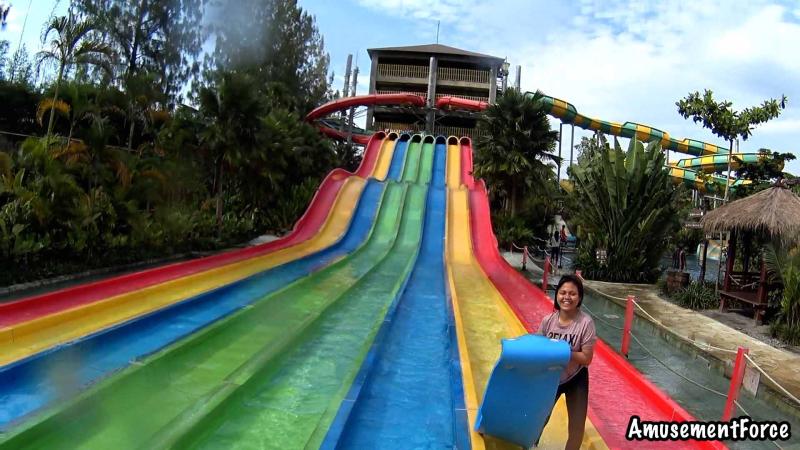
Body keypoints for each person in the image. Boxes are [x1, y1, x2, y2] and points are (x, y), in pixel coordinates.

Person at [536, 275, 596, 450]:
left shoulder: (586, 323)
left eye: (572, 293)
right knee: (538, 419)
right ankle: (530, 445)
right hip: (551, 376)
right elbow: (537, 347)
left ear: (579, 297)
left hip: (576, 377)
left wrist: (565, 351)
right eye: (562, 292)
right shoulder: (549, 321)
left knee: (577, 429)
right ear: (557, 295)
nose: (567, 297)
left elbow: (587, 358)